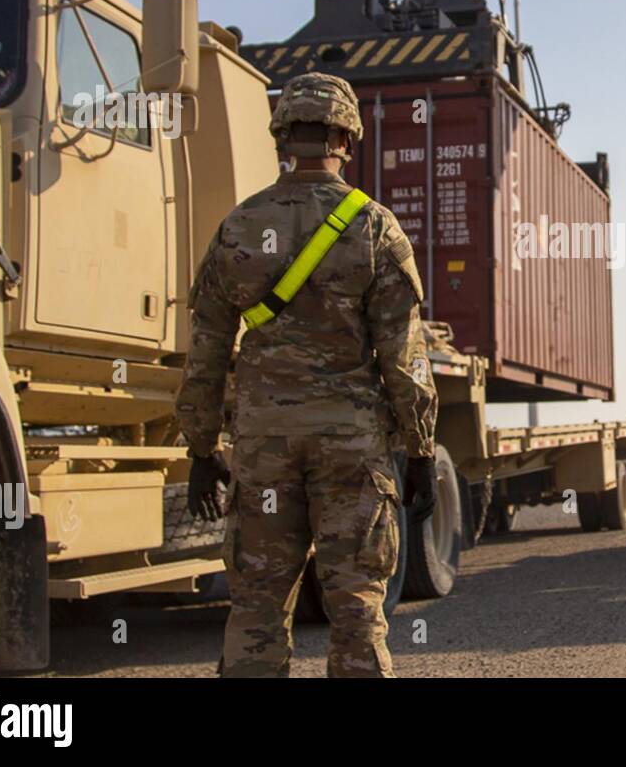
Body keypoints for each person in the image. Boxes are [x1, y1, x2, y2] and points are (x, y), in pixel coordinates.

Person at [174, 71, 438, 677]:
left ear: (281, 137)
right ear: (348, 136)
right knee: (356, 609)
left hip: (264, 445)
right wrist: (420, 450)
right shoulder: (372, 226)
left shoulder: (239, 226)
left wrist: (199, 448)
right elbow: (404, 356)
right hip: (351, 448)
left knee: (256, 607)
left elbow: (208, 351)